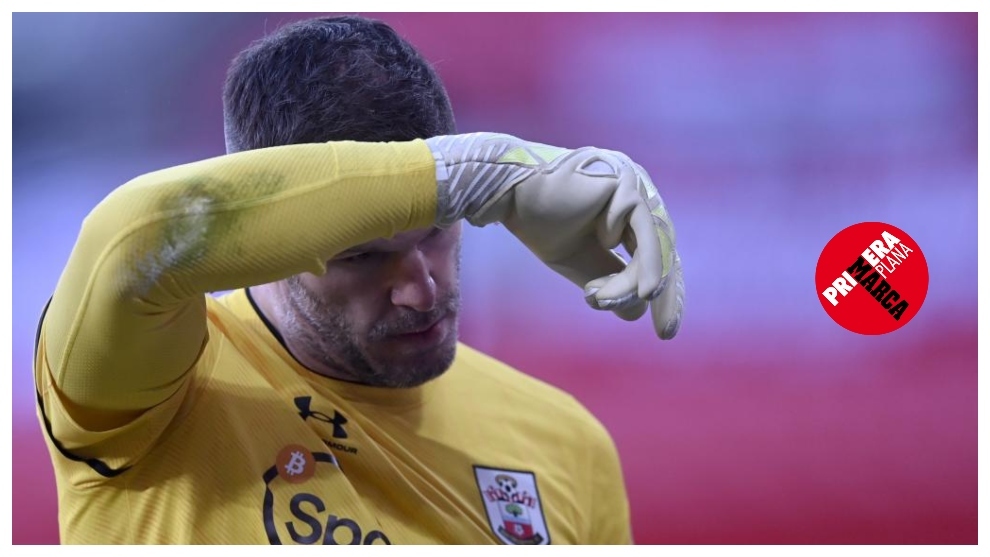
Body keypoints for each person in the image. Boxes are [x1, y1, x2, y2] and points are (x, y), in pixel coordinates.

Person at [34, 15, 684, 545]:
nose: (421, 290)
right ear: (277, 233)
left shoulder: (566, 443)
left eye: (437, 231)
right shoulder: (148, 395)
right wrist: (474, 176)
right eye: (361, 256)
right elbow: (134, 238)